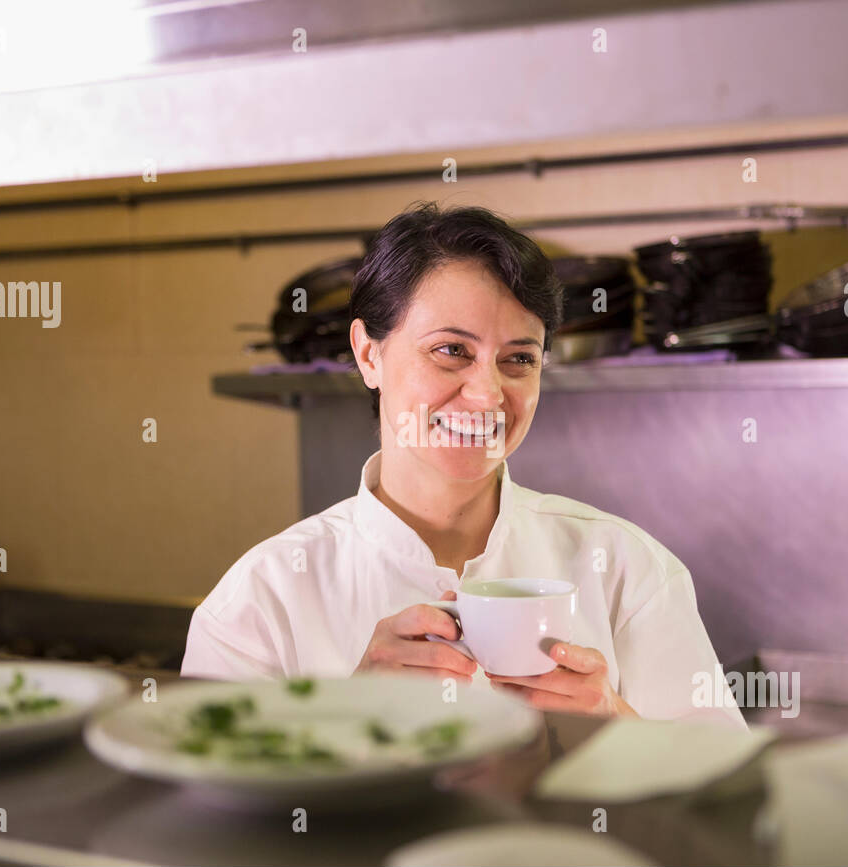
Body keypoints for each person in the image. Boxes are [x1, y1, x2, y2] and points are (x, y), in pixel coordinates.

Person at [182, 201, 745, 727]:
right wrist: (345, 718)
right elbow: (201, 822)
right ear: (368, 353)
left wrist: (616, 723)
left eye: (518, 358)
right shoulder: (263, 597)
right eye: (452, 350)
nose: (488, 394)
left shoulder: (628, 569)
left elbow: (735, 808)